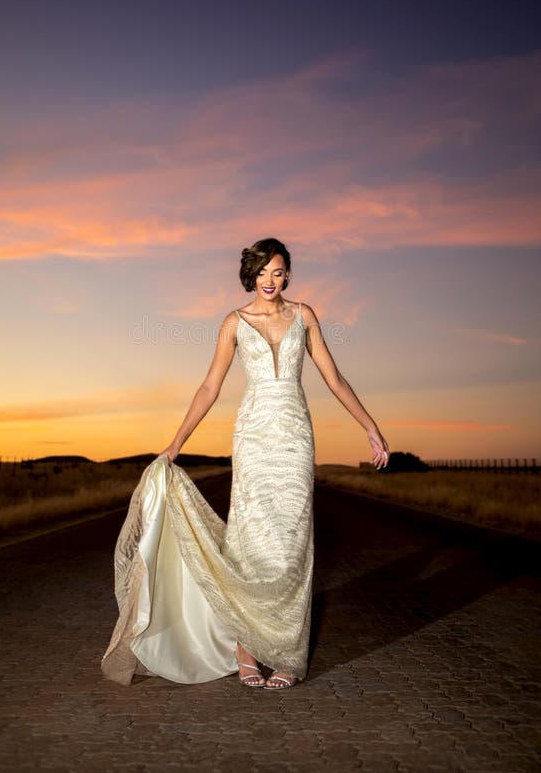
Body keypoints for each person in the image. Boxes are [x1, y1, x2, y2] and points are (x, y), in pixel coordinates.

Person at [101, 238, 389, 690]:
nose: (269, 281)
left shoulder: (305, 316)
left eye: (277, 272)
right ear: (251, 275)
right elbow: (209, 387)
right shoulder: (234, 322)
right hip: (253, 436)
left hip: (294, 436)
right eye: (261, 272)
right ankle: (246, 649)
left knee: (291, 544)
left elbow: (333, 377)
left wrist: (370, 427)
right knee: (250, 541)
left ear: (288, 274)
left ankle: (287, 653)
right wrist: (176, 443)